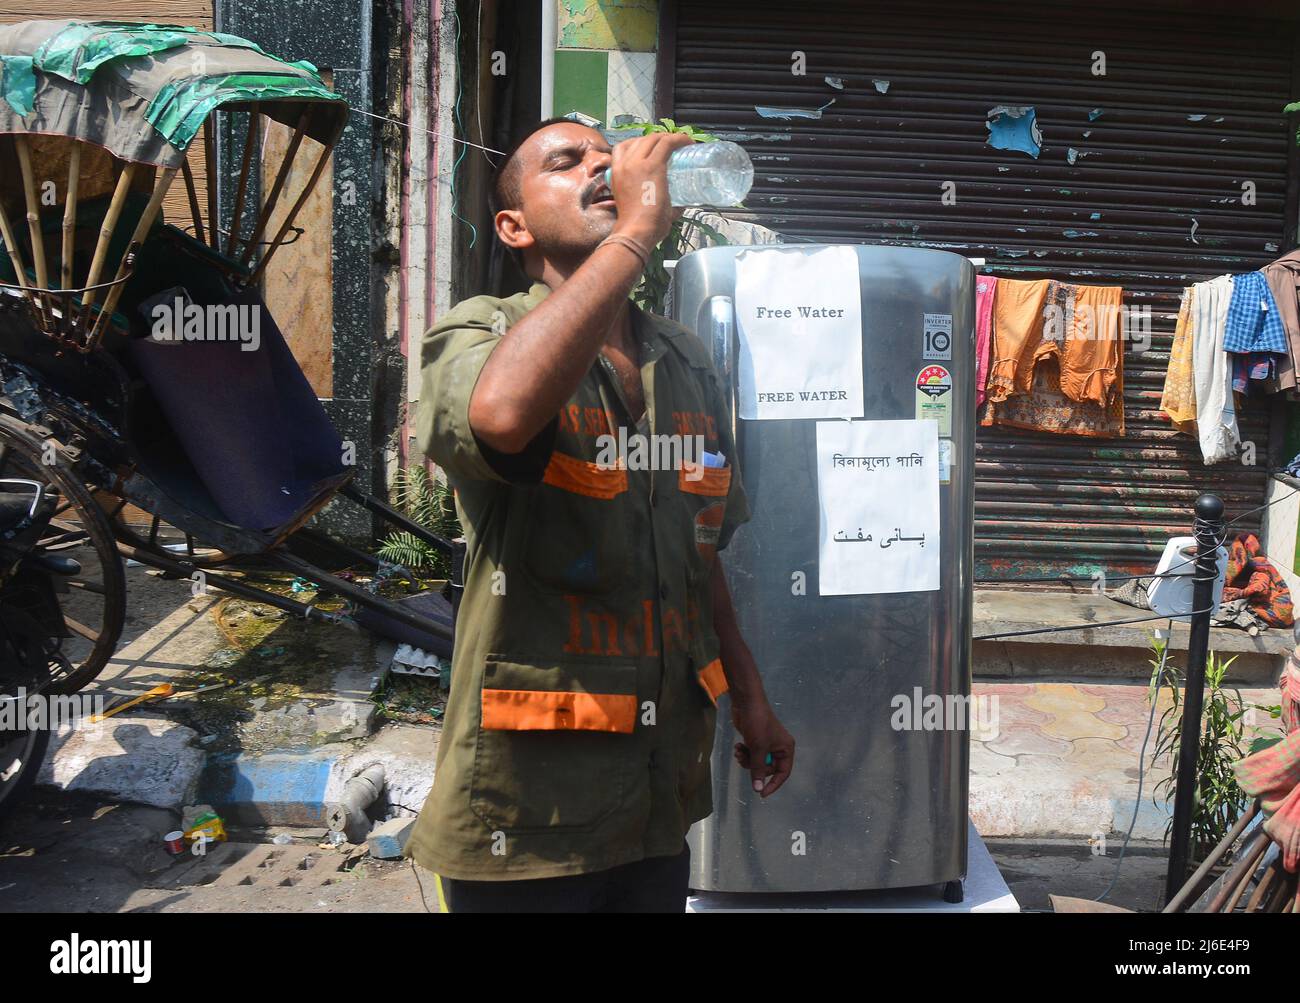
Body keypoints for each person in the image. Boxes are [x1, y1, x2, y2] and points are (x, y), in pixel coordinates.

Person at [404, 118, 794, 912]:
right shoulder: (483, 329)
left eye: (605, 156)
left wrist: (750, 692)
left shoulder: (683, 359)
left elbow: (701, 553)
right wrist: (639, 234)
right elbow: (504, 413)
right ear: (514, 225)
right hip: (524, 818)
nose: (600, 167)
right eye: (566, 161)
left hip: (656, 803)